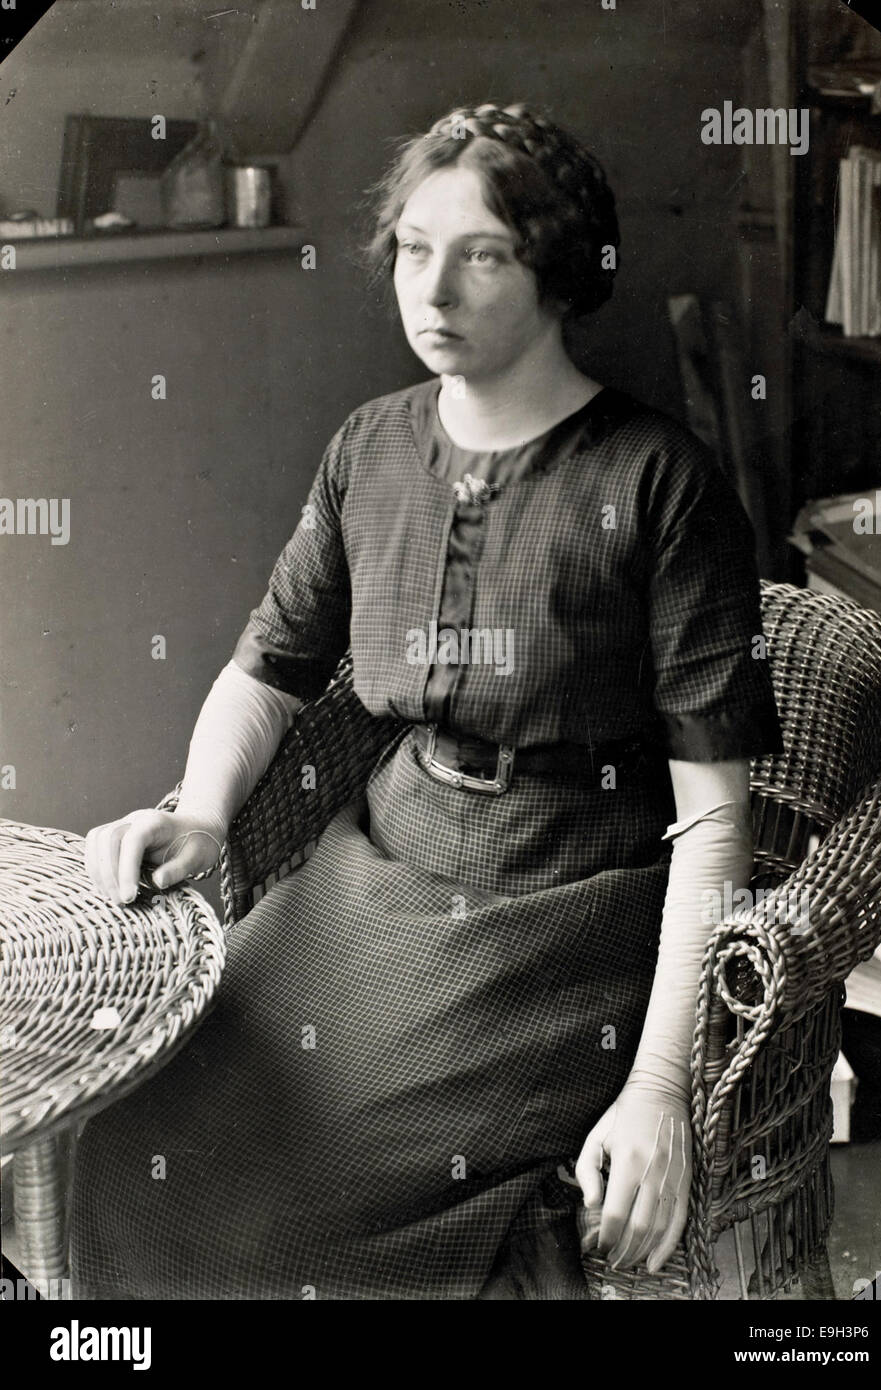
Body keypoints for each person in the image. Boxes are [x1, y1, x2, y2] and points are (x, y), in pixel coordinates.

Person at [71, 102, 783, 1300]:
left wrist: (658, 1086)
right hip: (379, 864)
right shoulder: (371, 448)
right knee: (126, 1140)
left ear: (557, 271)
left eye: (481, 253)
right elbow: (268, 666)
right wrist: (201, 814)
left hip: (565, 900)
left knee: (305, 1226)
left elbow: (716, 816)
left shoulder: (658, 479)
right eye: (411, 247)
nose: (431, 287)